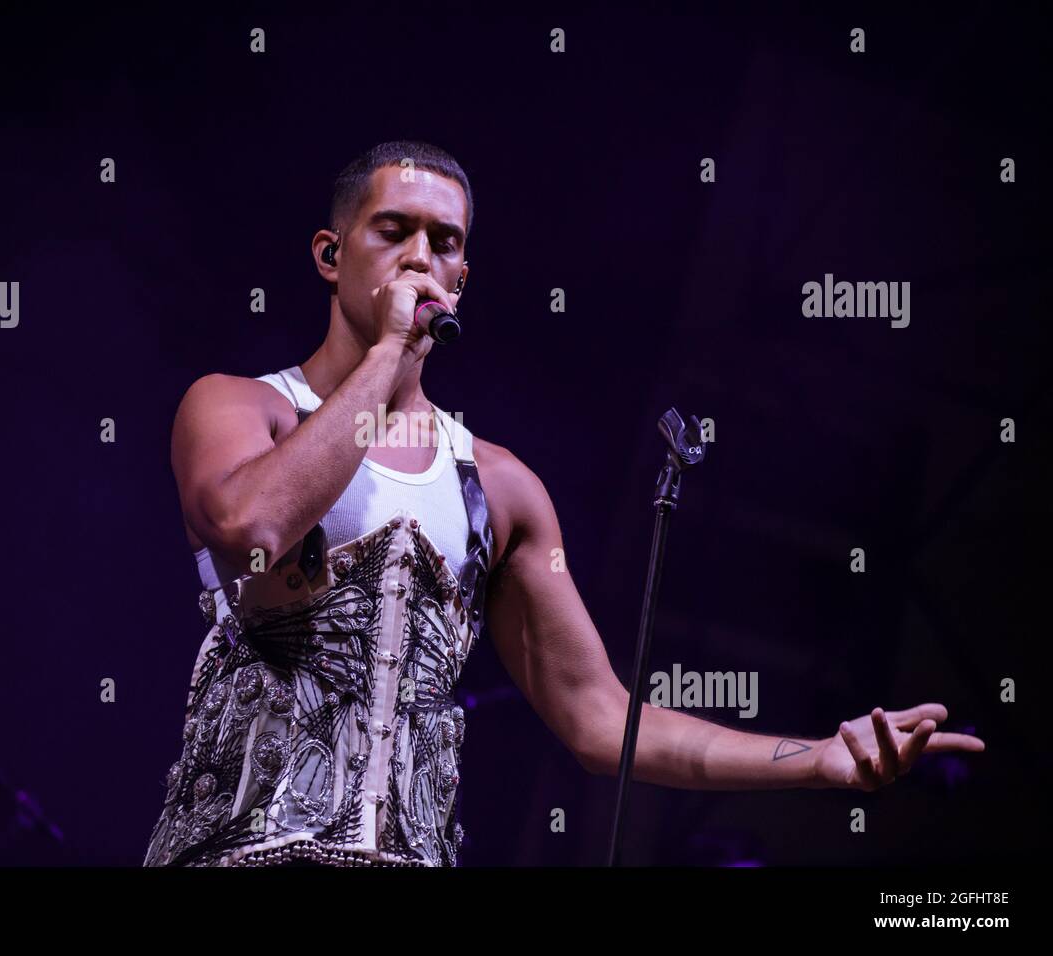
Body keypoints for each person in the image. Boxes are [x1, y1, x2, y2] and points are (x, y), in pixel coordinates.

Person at [141, 140, 986, 868]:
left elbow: (598, 718)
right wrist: (392, 348)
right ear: (331, 255)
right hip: (232, 849)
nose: (418, 258)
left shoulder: (498, 486)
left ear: (462, 276)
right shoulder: (244, 407)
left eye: (444, 243)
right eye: (393, 232)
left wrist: (817, 761)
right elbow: (252, 526)